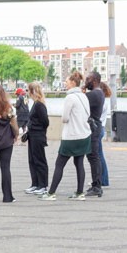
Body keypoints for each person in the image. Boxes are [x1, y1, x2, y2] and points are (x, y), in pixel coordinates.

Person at [43, 71, 91, 200]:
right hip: (84, 134)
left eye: (67, 81)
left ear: (73, 83)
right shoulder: (84, 96)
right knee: (79, 163)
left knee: (60, 164)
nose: (65, 83)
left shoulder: (70, 97)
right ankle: (80, 192)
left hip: (71, 136)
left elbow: (64, 118)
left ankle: (51, 193)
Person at [83, 70, 107, 198]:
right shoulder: (99, 93)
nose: (86, 82)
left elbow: (81, 101)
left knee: (93, 157)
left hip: (93, 128)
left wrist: (82, 90)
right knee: (94, 156)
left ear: (95, 80)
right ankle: (96, 184)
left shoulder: (94, 95)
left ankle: (97, 185)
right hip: (96, 127)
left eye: (88, 79)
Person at [23, 82, 50, 195]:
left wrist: (37, 128)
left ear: (33, 91)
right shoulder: (35, 104)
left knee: (39, 160)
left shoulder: (39, 105)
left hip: (38, 135)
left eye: (28, 91)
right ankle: (35, 183)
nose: (27, 93)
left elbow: (45, 121)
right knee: (32, 160)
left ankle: (43, 185)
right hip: (32, 135)